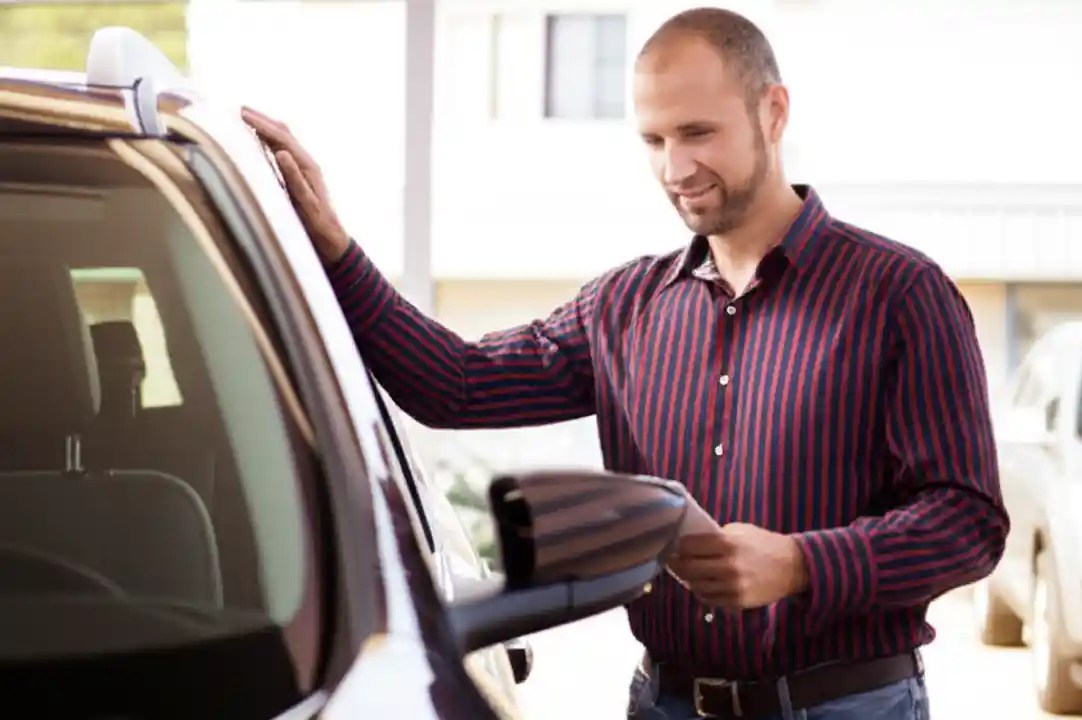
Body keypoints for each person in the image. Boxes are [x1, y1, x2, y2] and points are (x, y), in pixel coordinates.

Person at [244, 7, 1008, 719]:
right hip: (664, 702)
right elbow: (455, 385)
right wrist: (334, 250)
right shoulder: (623, 307)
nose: (676, 168)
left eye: (698, 133)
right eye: (654, 140)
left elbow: (968, 521)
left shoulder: (899, 293)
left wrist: (802, 564)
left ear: (773, 113)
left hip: (844, 706)